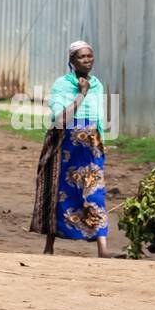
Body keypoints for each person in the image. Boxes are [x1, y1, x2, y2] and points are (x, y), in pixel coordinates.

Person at [31, 41, 109, 257]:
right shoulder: (61, 85)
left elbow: (99, 118)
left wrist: (101, 144)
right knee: (59, 192)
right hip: (64, 147)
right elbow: (60, 119)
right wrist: (80, 94)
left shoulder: (98, 85)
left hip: (90, 149)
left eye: (90, 56)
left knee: (96, 193)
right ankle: (49, 246)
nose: (87, 60)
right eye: (81, 57)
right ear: (72, 61)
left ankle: (103, 248)